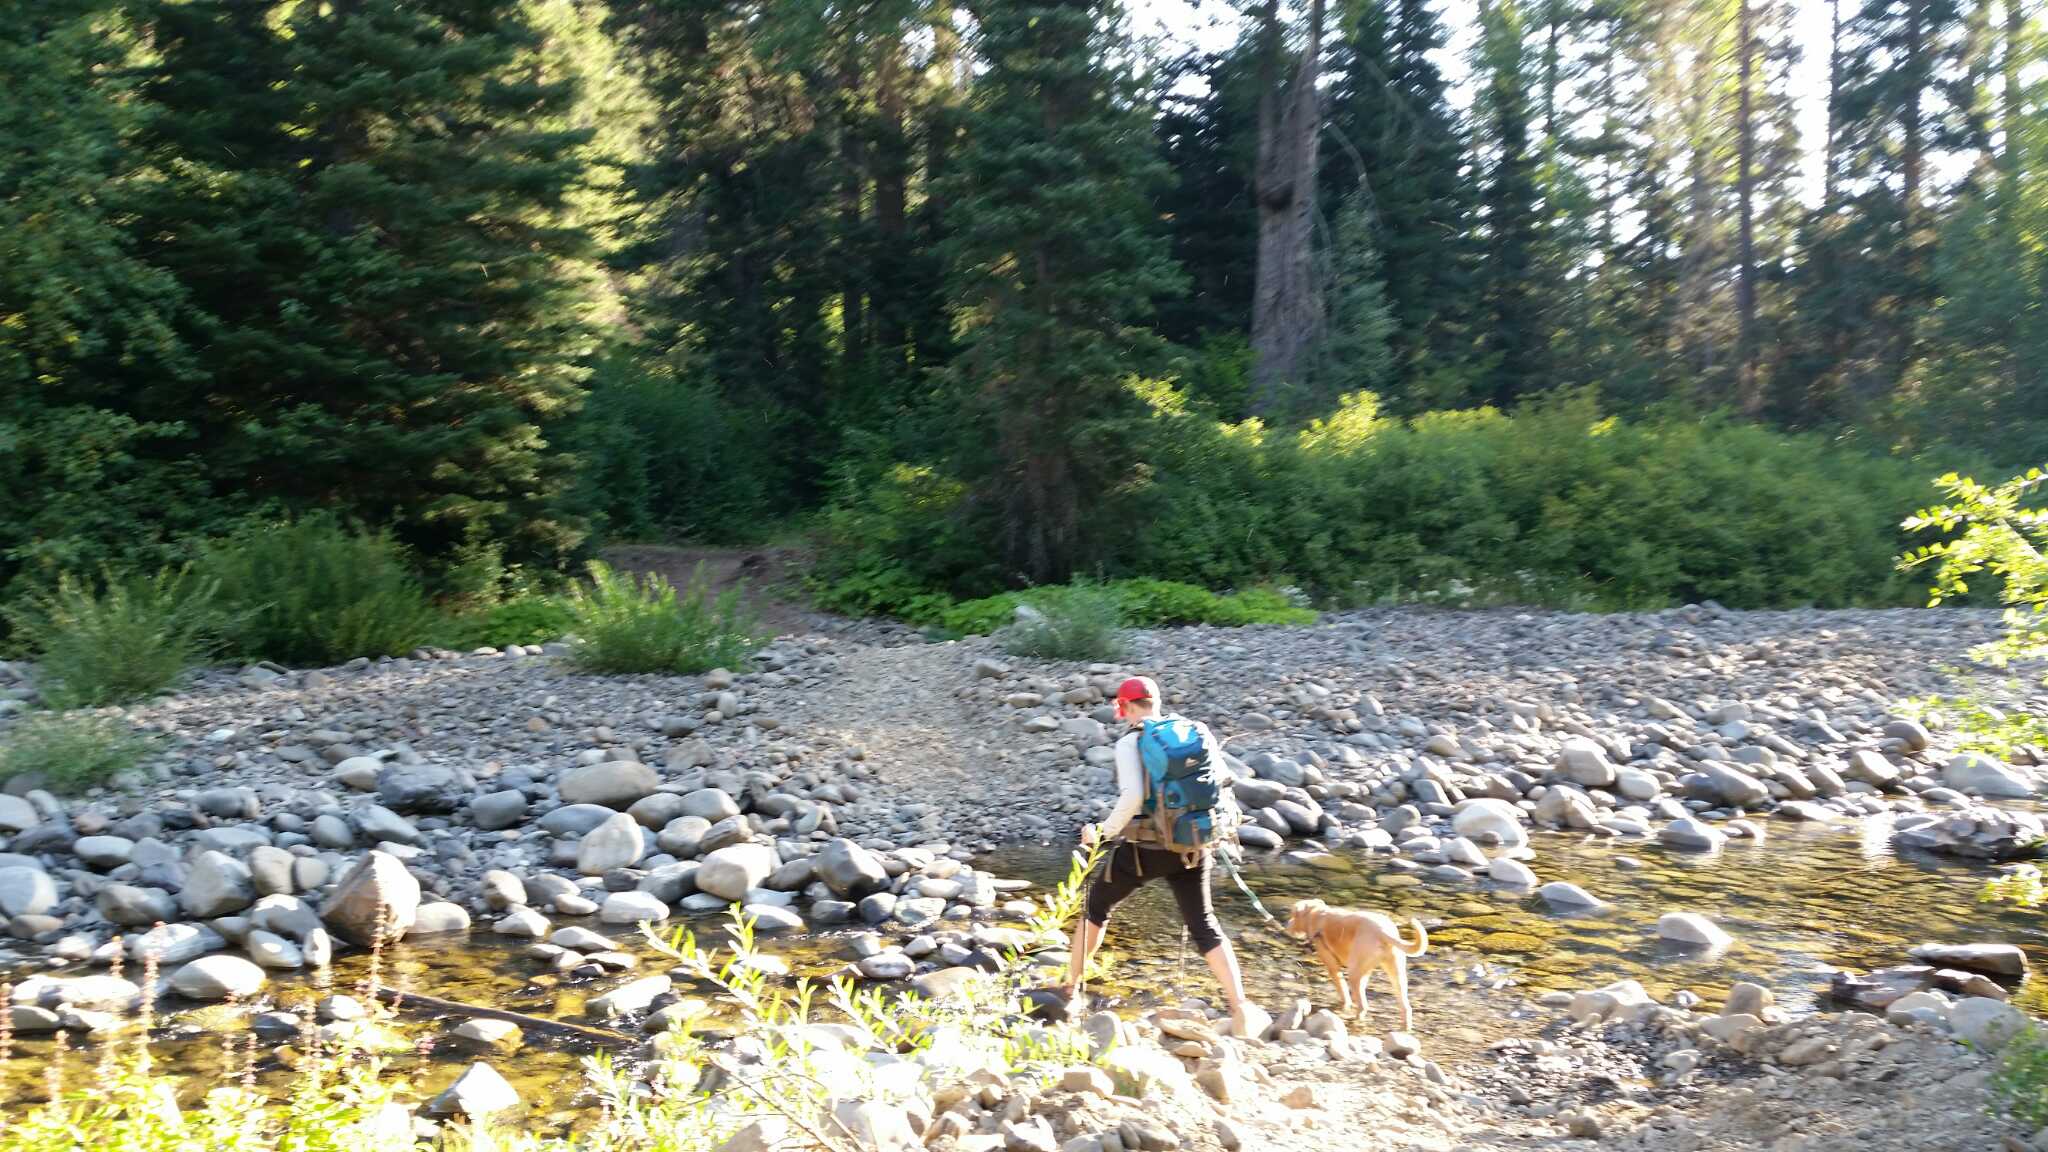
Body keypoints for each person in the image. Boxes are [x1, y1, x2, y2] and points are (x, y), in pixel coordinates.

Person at [1062, 676, 1269, 1036]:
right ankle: (1241, 1007)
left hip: (1145, 849)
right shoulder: (1196, 730)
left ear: (1125, 707)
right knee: (1204, 923)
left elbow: (1131, 798)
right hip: (1193, 845)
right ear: (1156, 701)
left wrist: (1101, 832)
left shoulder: (1132, 741)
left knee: (1096, 906)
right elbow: (1222, 782)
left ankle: (1069, 989)